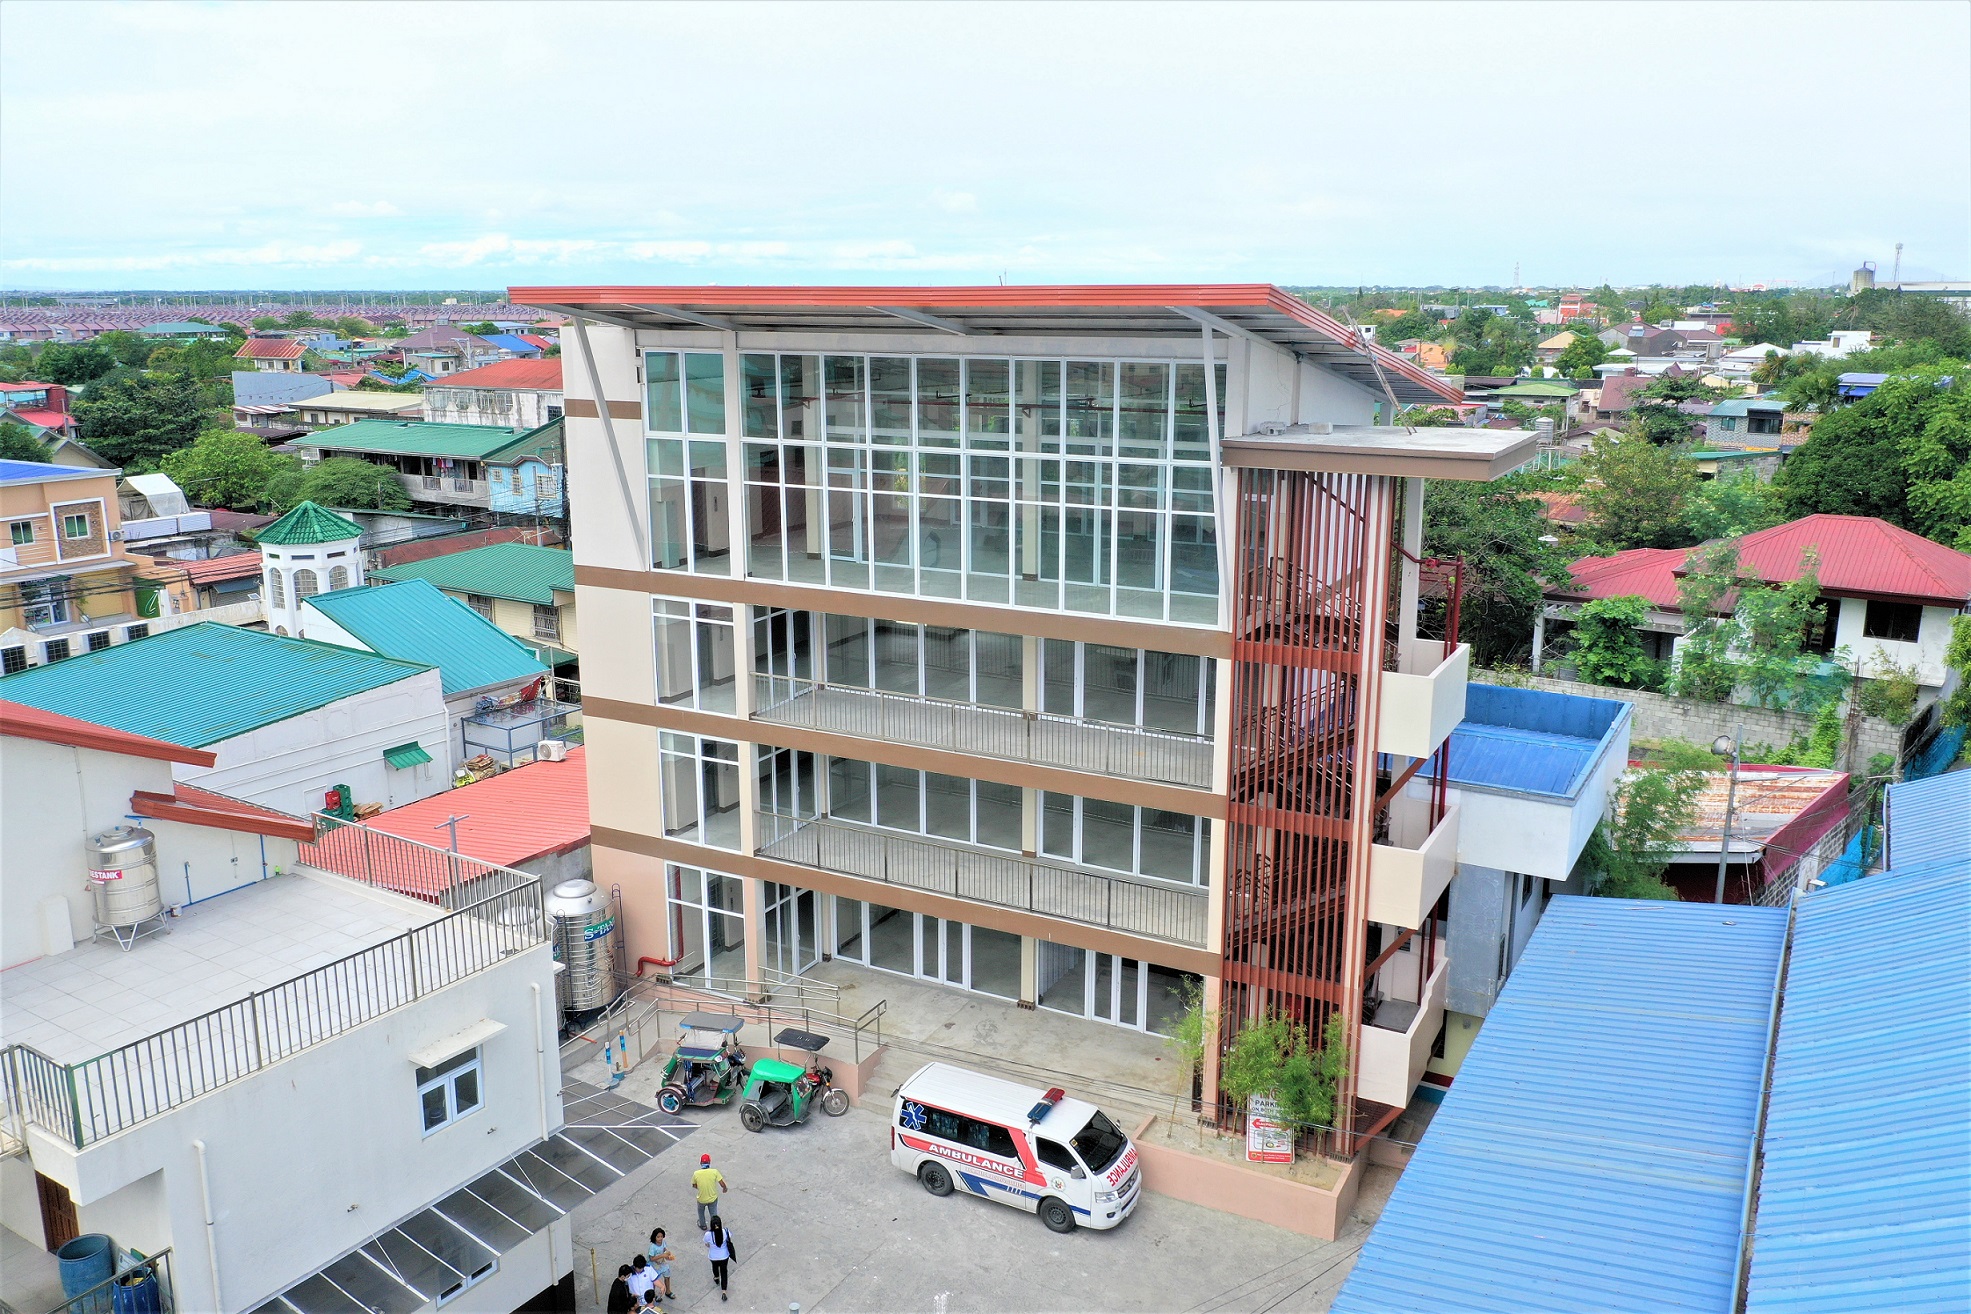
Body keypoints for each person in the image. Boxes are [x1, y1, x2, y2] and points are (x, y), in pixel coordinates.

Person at [704, 1215, 736, 1302]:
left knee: (715, 1267)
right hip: (724, 1256)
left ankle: (716, 1277)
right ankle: (724, 1292)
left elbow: (706, 1244)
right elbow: (729, 1238)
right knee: (724, 1271)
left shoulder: (708, 1234)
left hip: (713, 1256)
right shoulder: (725, 1231)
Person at [691, 1153, 727, 1230]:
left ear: (700, 1163)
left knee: (701, 1212)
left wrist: (701, 1187)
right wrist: (725, 1188)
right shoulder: (714, 1172)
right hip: (713, 1198)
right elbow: (722, 1183)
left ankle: (703, 1225)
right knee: (713, 1213)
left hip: (701, 1199)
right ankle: (716, 1227)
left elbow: (694, 1185)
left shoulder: (696, 1173)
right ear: (709, 1162)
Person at [645, 1227, 676, 1301]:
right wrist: (662, 1255)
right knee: (654, 1280)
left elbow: (665, 1249)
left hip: (662, 1262)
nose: (660, 1238)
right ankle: (653, 1295)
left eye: (661, 1236)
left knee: (667, 1276)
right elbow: (651, 1258)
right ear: (654, 1237)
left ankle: (668, 1291)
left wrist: (668, 1255)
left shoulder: (663, 1242)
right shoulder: (652, 1247)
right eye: (658, 1237)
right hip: (653, 1265)